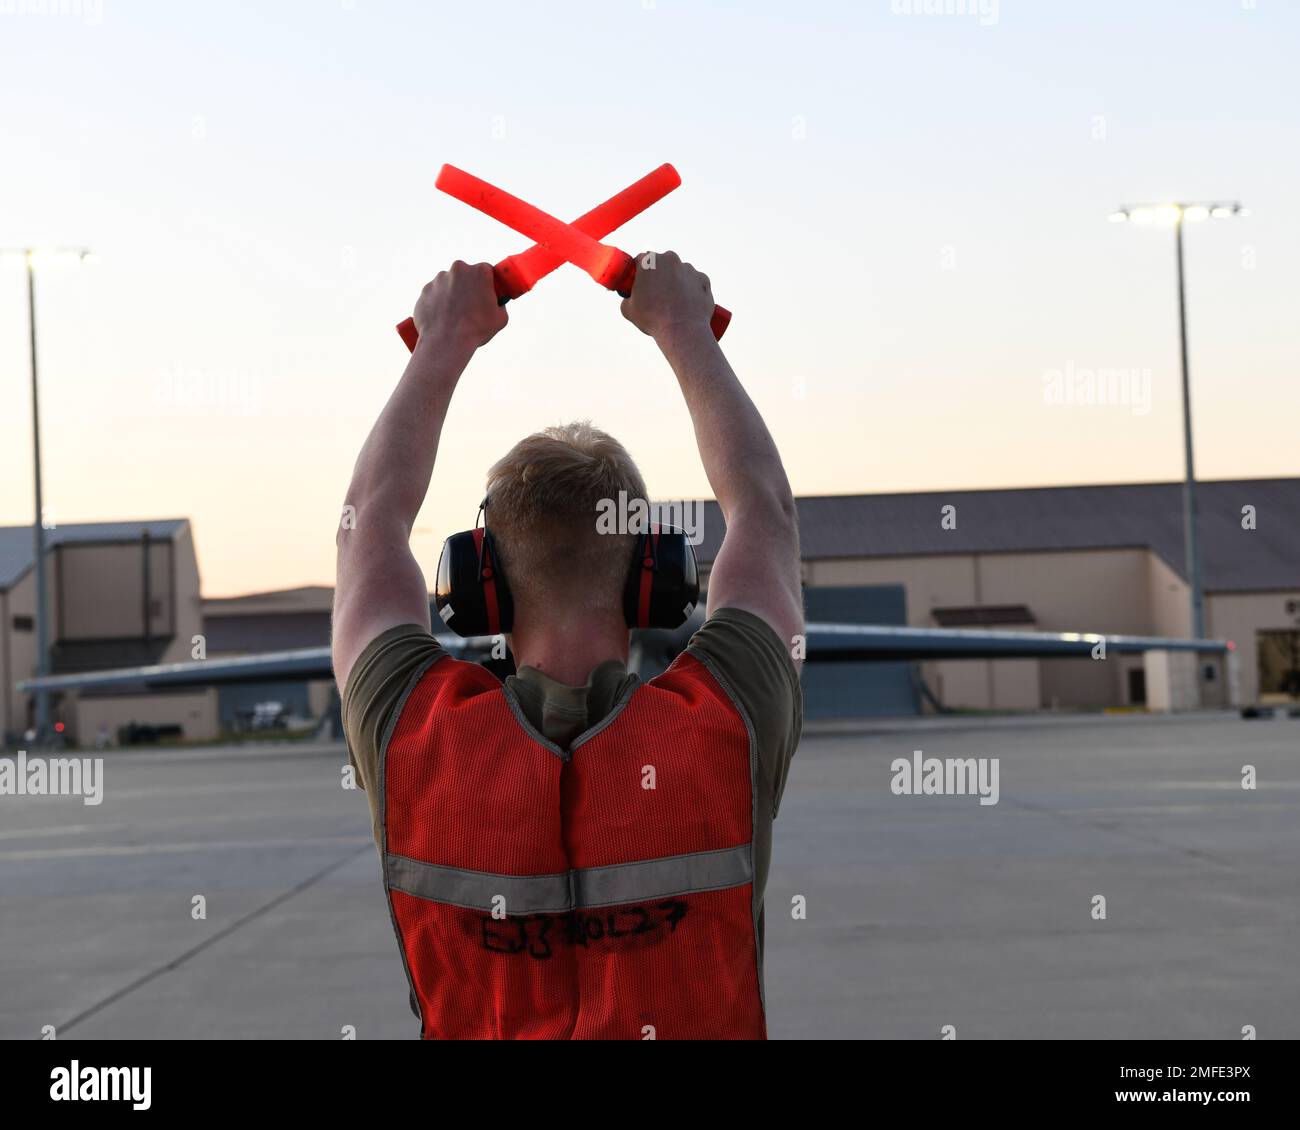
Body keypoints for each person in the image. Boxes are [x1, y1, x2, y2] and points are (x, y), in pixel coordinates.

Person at [332, 253, 803, 1039]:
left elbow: (367, 525)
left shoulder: (410, 735)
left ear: (480, 585)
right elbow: (765, 510)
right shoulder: (730, 724)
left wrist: (443, 339)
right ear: (654, 577)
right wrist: (683, 327)